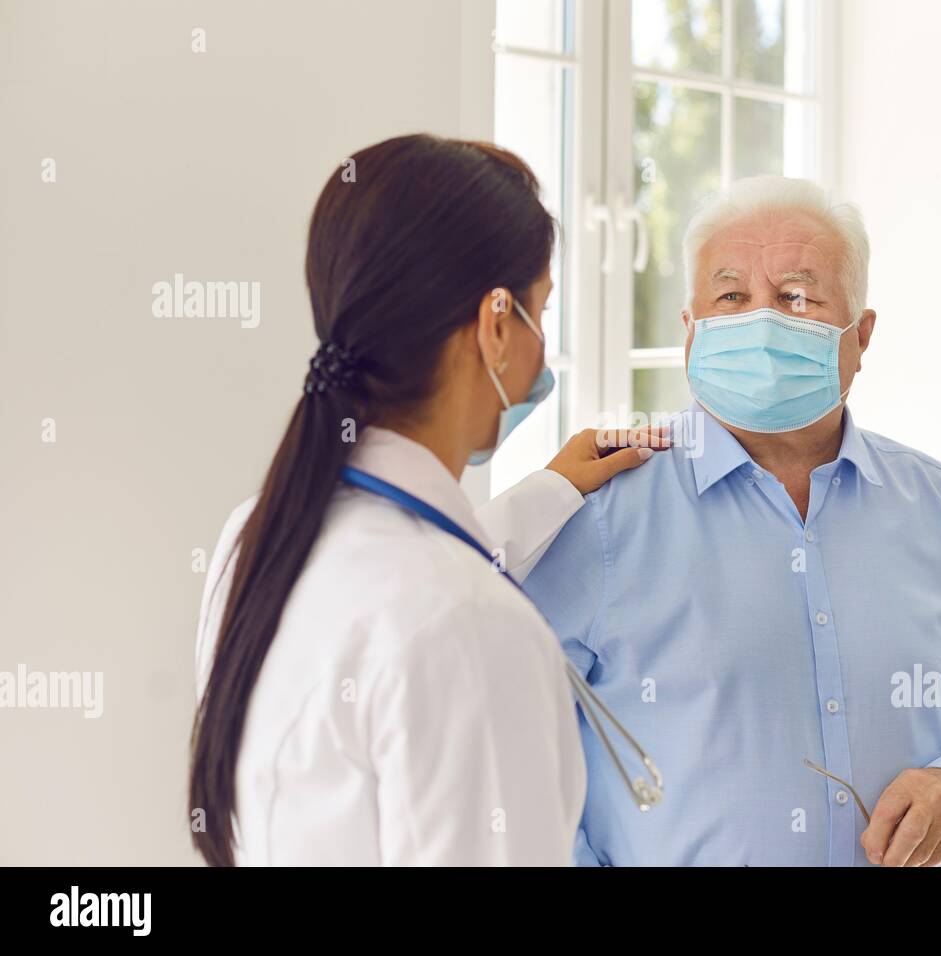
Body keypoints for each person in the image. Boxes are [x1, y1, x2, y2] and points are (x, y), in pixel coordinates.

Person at [523, 175, 941, 866]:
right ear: (689, 330)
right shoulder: (599, 516)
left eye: (798, 297)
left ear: (862, 335)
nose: (762, 321)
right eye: (731, 296)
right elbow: (513, 758)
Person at [190, 134, 665, 866]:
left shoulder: (254, 536)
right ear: (496, 326)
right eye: (542, 310)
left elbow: (402, 580)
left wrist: (553, 489)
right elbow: (435, 608)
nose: (543, 348)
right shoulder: (472, 624)